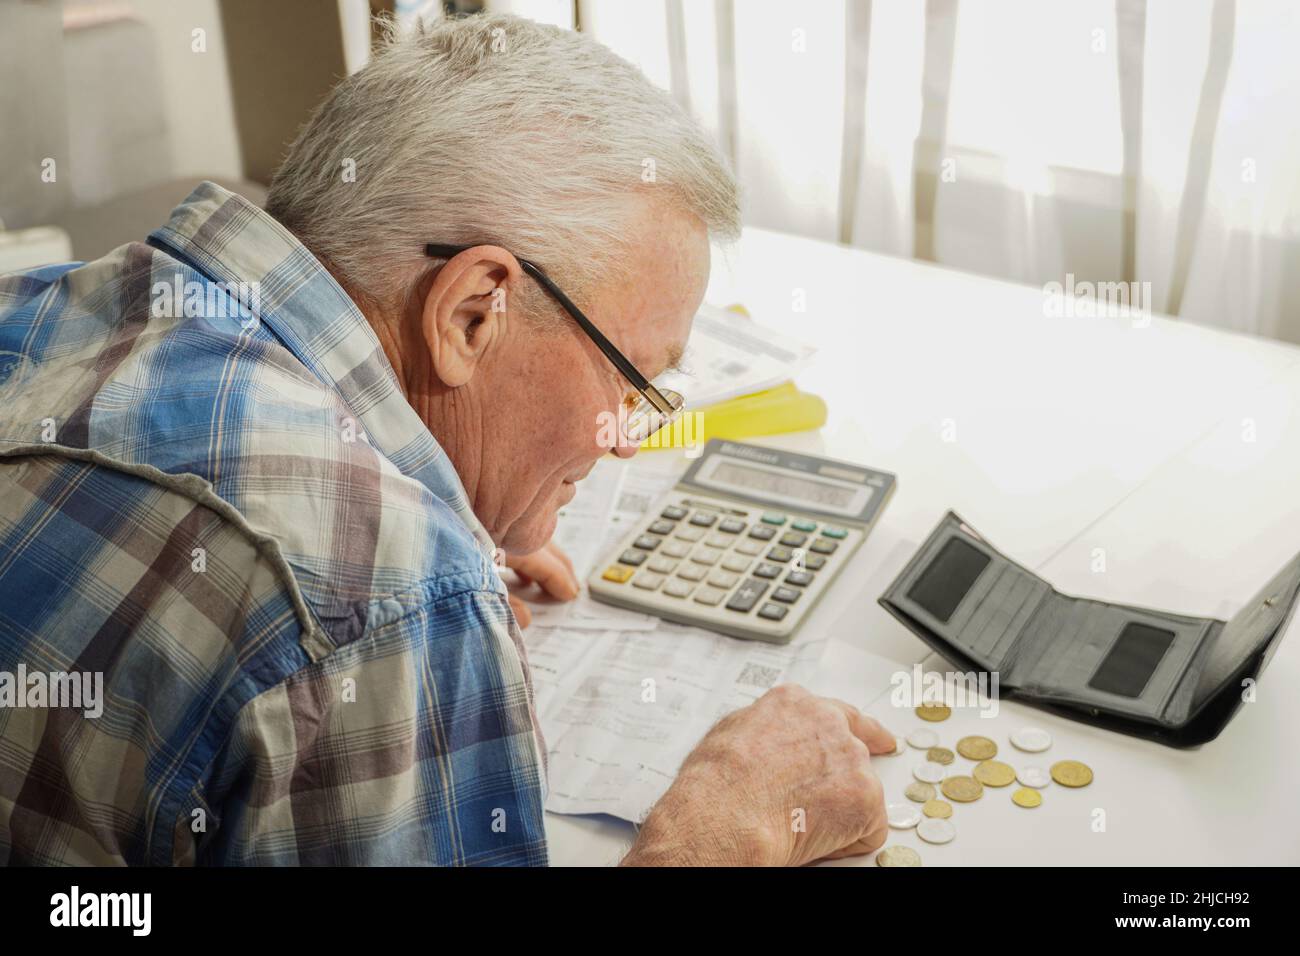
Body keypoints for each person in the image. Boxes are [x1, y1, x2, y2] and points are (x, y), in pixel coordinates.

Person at [0, 13, 891, 866]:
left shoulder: (40, 312)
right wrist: (716, 842)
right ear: (471, 314)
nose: (629, 440)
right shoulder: (384, 587)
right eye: (634, 379)